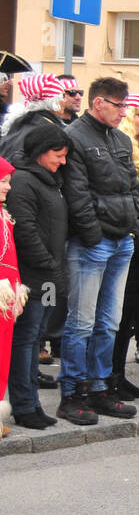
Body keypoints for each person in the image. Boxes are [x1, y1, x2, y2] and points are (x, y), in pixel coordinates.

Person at [59, 76, 139, 424]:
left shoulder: (120, 138)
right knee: (81, 322)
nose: (124, 112)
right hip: (93, 242)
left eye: (125, 106)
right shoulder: (74, 137)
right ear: (99, 103)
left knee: (109, 323)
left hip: (122, 240)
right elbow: (76, 194)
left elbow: (132, 186)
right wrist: (93, 235)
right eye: (119, 105)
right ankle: (72, 393)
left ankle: (99, 387)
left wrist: (133, 226)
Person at [4, 124, 70, 430]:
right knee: (26, 340)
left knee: (36, 338)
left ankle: (32, 403)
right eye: (58, 155)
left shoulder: (49, 180)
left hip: (48, 276)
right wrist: (48, 264)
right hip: (33, 277)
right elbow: (26, 230)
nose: (63, 161)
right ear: (41, 152)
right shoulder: (24, 181)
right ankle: (24, 404)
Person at [107, 94, 139, 397]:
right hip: (130, 237)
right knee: (120, 312)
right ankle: (111, 376)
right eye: (138, 113)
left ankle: (118, 375)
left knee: (134, 309)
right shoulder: (125, 148)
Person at [0, 156, 22, 436]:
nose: (7, 188)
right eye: (3, 182)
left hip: (6, 297)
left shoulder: (3, 213)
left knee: (3, 356)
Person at [0, 74, 67, 163]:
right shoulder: (47, 129)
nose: (64, 101)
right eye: (62, 96)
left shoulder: (19, 122)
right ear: (53, 102)